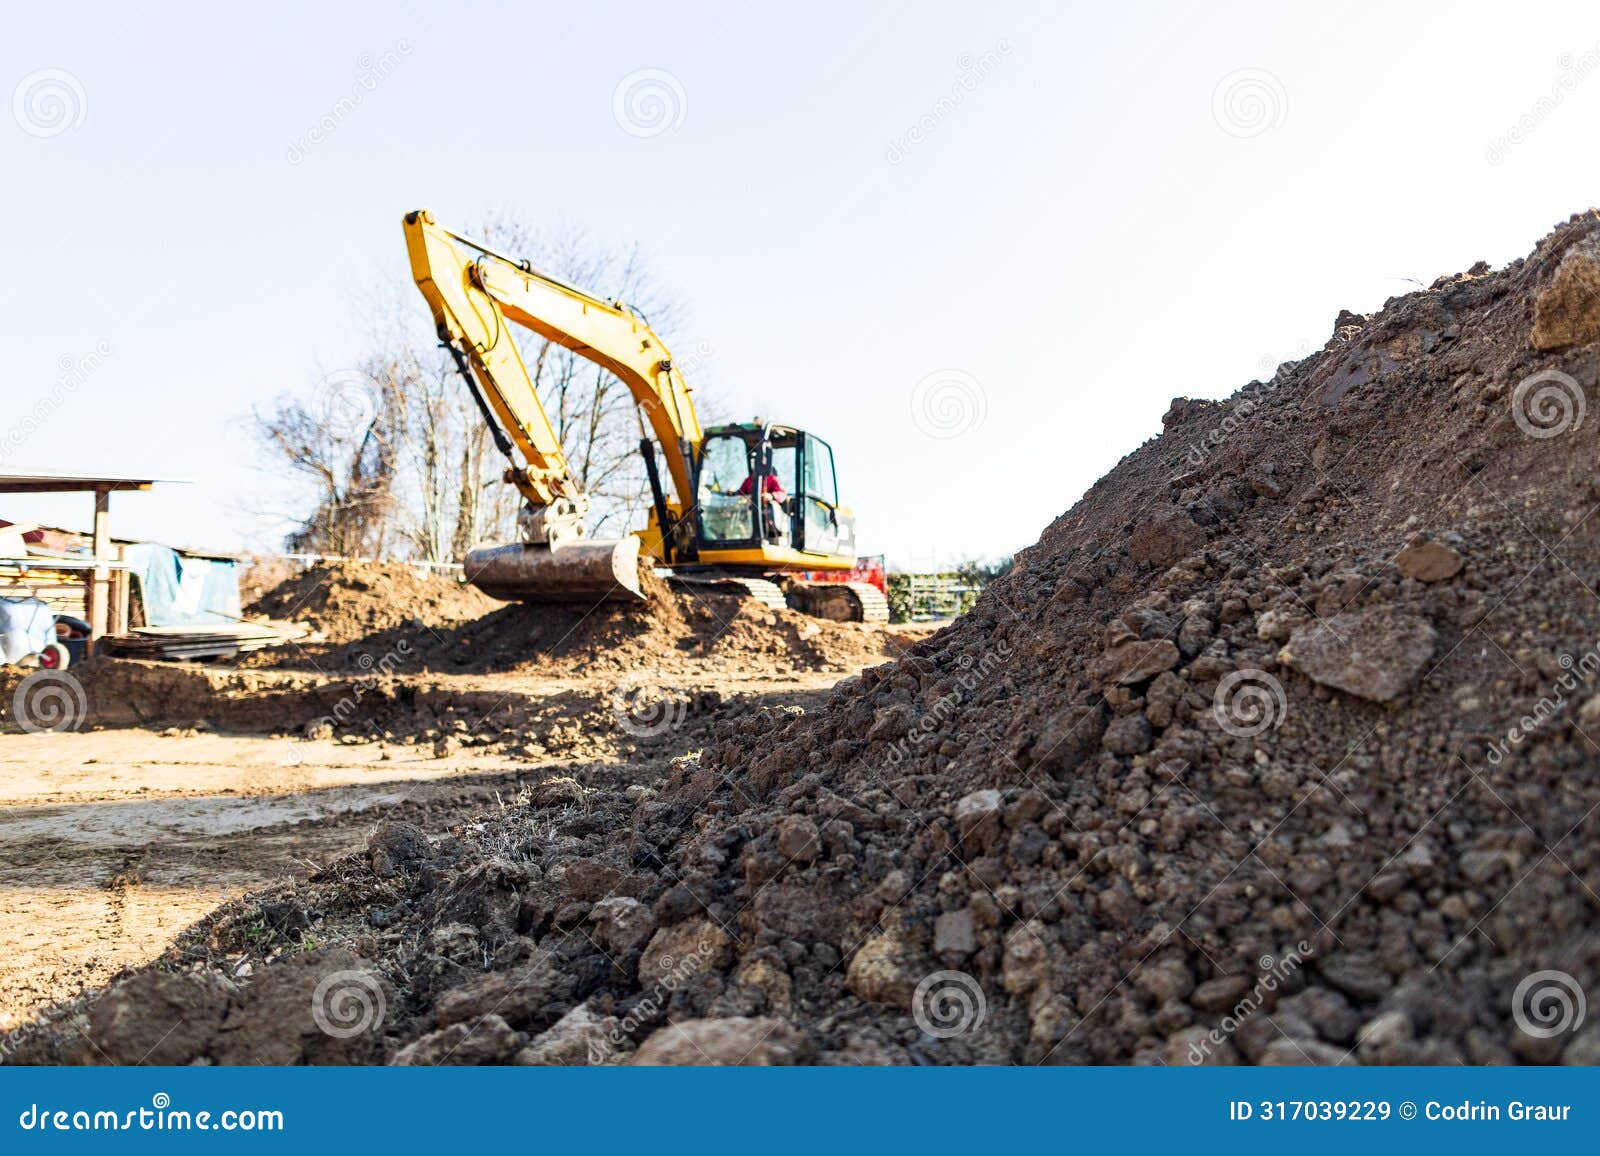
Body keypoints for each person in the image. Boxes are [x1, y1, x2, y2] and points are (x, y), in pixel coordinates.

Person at [737, 469, 788, 541]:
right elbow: (741, 493)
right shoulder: (749, 479)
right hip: (751, 516)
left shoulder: (772, 478)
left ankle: (770, 536)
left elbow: (782, 495)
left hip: (768, 518)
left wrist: (771, 496)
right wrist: (733, 494)